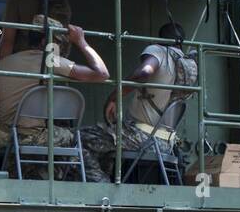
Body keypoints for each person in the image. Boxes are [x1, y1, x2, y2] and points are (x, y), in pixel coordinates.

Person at [0, 16, 109, 179]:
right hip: (35, 137)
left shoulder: (4, 63)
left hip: (4, 136)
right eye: (58, 42)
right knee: (82, 139)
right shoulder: (51, 61)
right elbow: (102, 74)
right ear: (45, 41)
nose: (60, 47)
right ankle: (100, 185)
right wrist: (81, 42)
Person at [79, 22, 198, 183]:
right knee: (106, 143)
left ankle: (102, 185)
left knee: (79, 138)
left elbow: (144, 72)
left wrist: (114, 97)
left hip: (142, 137)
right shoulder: (188, 66)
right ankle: (111, 182)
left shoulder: (159, 50)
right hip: (166, 143)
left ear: (159, 39)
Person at [0, 0, 71, 62]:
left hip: (25, 60)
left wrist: (2, 68)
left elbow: (8, 39)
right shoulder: (62, 1)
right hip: (53, 61)